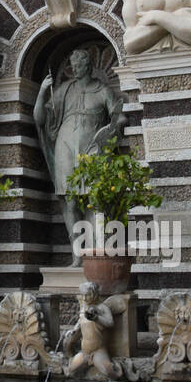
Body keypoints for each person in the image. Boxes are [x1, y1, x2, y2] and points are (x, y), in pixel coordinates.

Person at [34, 48, 123, 249]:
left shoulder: (103, 90)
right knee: (71, 201)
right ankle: (78, 253)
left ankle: (100, 247)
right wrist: (41, 91)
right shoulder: (64, 90)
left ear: (89, 66)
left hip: (91, 147)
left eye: (79, 65)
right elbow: (40, 119)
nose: (75, 69)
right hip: (64, 146)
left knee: (96, 197)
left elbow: (118, 116)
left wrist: (114, 126)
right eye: (72, 66)